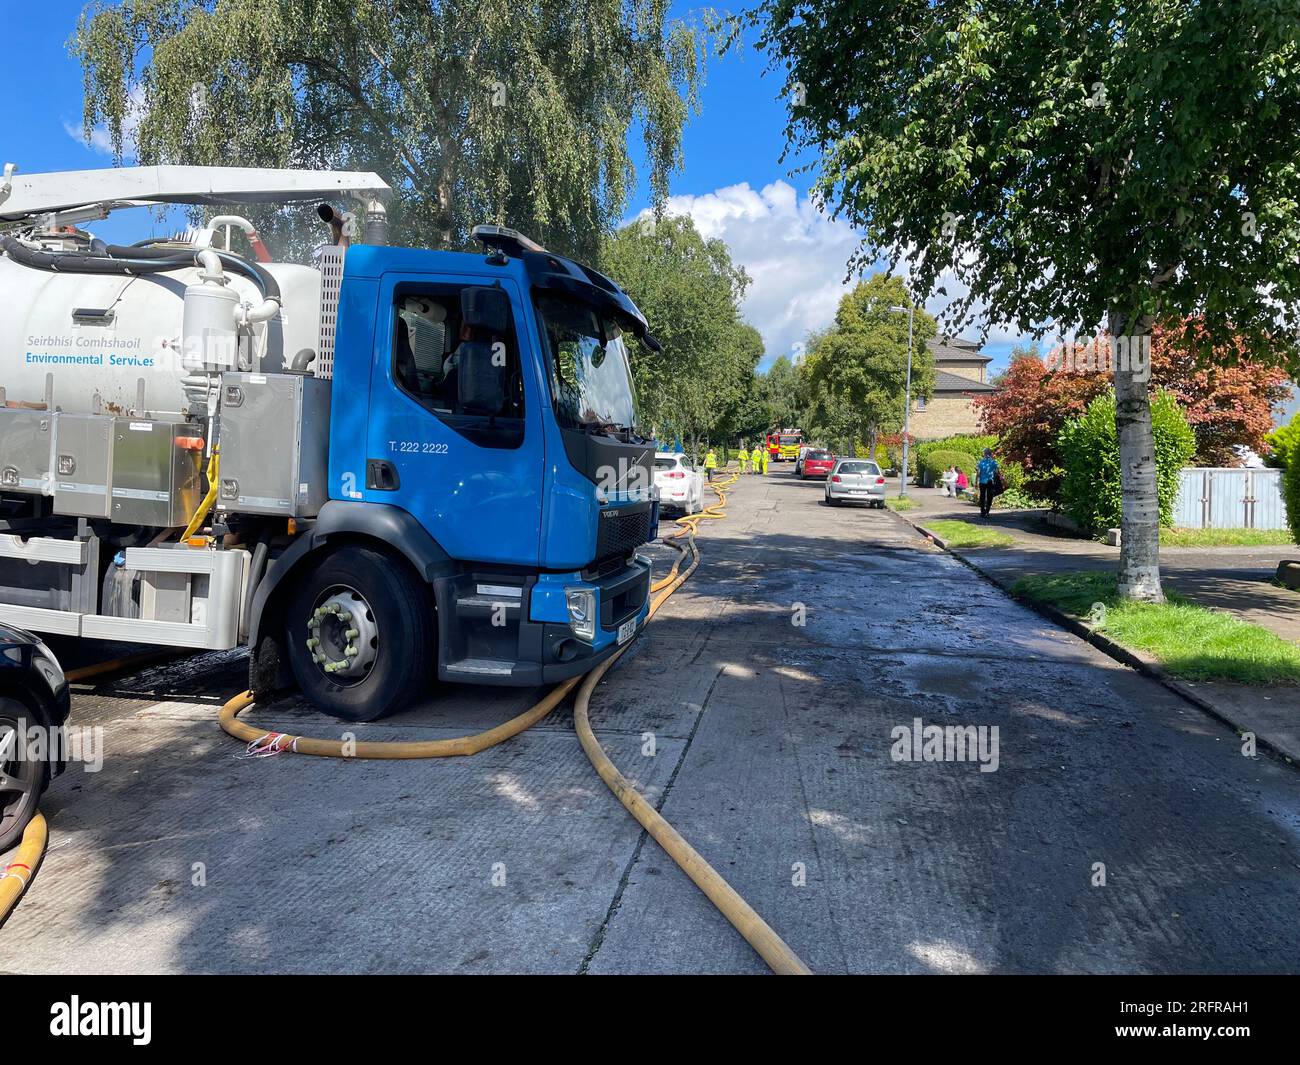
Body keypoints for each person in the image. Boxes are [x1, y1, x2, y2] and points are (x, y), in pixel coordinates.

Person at [976, 448, 1000, 517]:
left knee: (982, 496)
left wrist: (976, 481)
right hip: (990, 481)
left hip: (982, 481)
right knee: (989, 497)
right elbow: (997, 472)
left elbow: (978, 473)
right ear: (990, 454)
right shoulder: (994, 462)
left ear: (985, 454)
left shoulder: (981, 462)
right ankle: (987, 511)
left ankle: (982, 511)